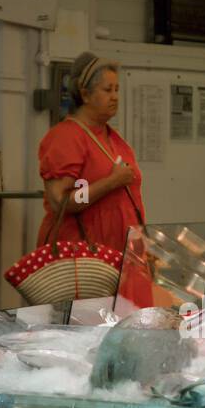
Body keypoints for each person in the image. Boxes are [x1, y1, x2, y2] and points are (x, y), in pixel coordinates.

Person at [37, 53, 150, 303]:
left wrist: (142, 249)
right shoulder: (66, 137)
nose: (115, 96)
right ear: (85, 94)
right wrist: (110, 182)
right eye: (107, 89)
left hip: (120, 259)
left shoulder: (112, 137)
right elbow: (60, 201)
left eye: (117, 89)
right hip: (84, 263)